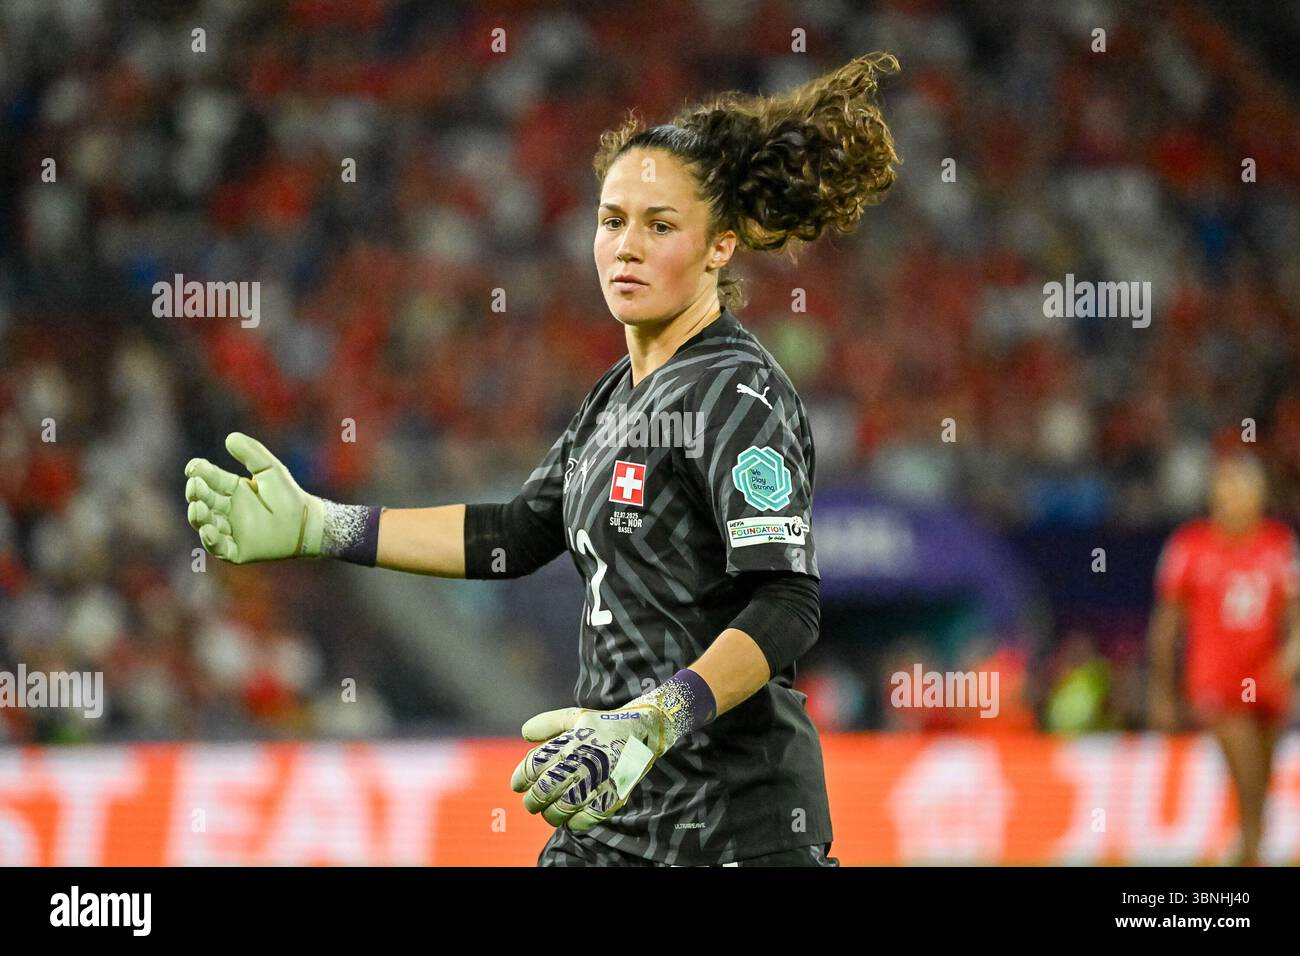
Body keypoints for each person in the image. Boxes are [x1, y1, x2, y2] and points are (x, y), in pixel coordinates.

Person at [183, 53, 901, 866]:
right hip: (612, 822)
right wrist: (323, 524)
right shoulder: (612, 399)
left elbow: (786, 604)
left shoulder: (738, 393)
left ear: (719, 247)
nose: (626, 247)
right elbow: (517, 534)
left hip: (735, 832)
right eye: (612, 219)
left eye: (660, 226)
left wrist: (654, 717)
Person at [1147, 453, 1300, 865]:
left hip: (1267, 679)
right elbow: (1167, 625)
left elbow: (1295, 616)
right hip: (1216, 681)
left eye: (1242, 489)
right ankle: (1250, 847)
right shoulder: (1191, 545)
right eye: (1226, 489)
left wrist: (1289, 659)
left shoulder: (1278, 545)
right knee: (1247, 771)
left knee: (1262, 778)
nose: (1233, 500)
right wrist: (1162, 689)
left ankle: (1247, 849)